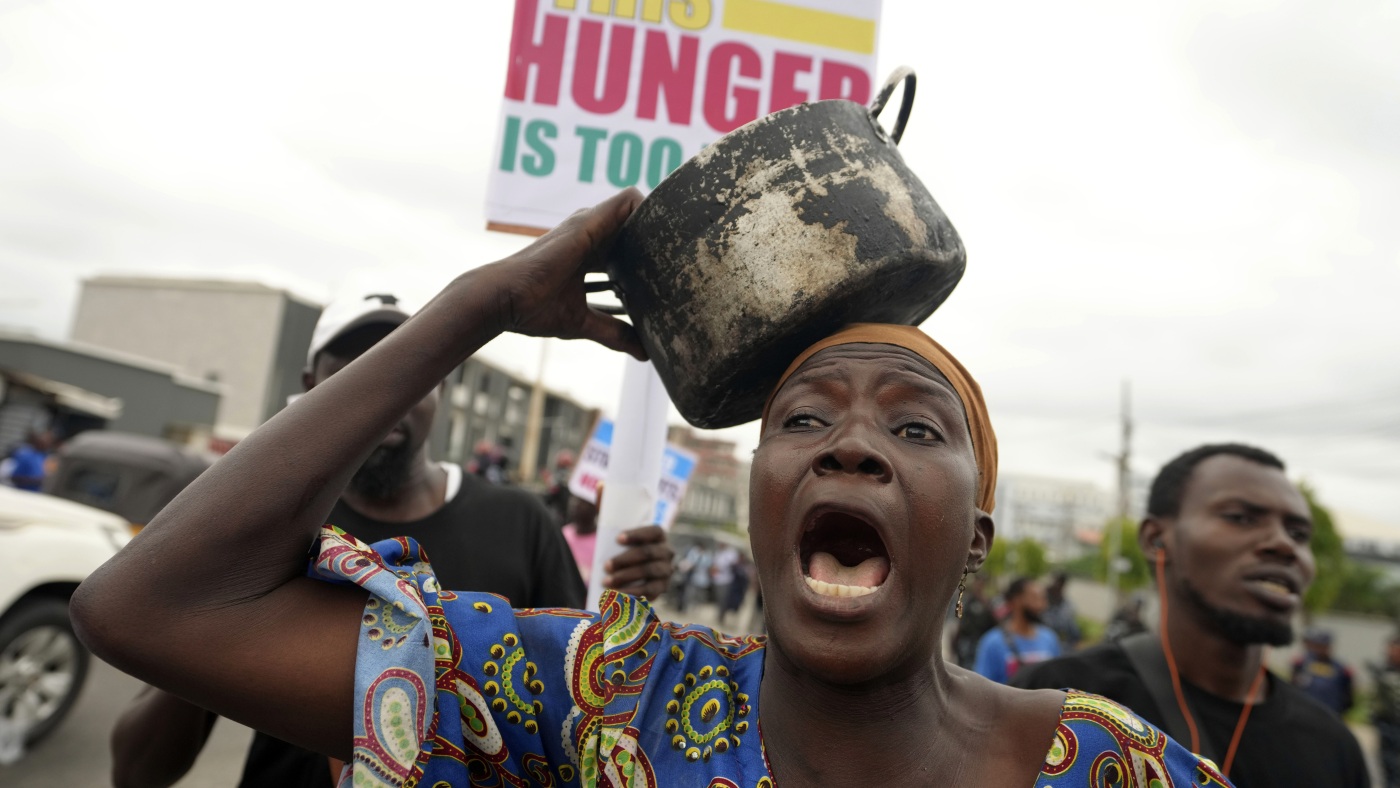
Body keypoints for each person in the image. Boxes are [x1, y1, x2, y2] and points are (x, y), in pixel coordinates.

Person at [73, 190, 1226, 787]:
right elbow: (152, 608)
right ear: (763, 498)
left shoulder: (1117, 765)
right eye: (803, 418)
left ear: (976, 539)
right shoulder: (602, 698)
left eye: (914, 425)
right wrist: (471, 309)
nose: (849, 444)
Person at [107, 291, 673, 788]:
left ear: (440, 385)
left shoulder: (520, 520)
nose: (382, 392)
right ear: (312, 390)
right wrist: (207, 618)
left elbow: (579, 703)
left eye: (404, 368)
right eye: (354, 372)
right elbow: (139, 771)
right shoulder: (271, 535)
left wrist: (624, 601)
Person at [1014, 443, 1368, 787]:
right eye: (1241, 518)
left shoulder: (1334, 747)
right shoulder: (1051, 704)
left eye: (1299, 533)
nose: (1284, 544)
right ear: (1156, 539)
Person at [973, 576, 1060, 683]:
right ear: (1016, 600)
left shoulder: (1050, 638)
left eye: (1043, 598)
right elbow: (981, 688)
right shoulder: (992, 643)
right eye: (1035, 598)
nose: (1042, 605)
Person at [1290, 627, 1354, 716]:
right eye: (1318, 646)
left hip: (1330, 713)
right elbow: (1293, 686)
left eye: (1324, 646)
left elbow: (1348, 695)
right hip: (1304, 711)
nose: (1321, 649)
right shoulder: (1302, 663)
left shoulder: (1341, 669)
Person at [951, 572, 996, 668]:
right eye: (977, 582)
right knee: (964, 666)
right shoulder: (968, 600)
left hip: (981, 639)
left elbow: (993, 622)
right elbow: (961, 619)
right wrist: (956, 638)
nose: (978, 585)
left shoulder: (989, 602)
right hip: (967, 639)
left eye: (981, 583)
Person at [1373, 635, 1400, 788]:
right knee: (1386, 763)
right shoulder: (1382, 670)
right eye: (1391, 650)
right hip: (1386, 724)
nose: (1392, 654)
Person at [561, 493, 599, 584]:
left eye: (583, 501)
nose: (575, 504)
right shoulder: (563, 534)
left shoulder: (601, 543)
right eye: (574, 499)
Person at [1042, 572, 1082, 651]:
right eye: (1056, 581)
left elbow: (1074, 634)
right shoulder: (1040, 602)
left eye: (1061, 583)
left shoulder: (1067, 606)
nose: (1057, 585)